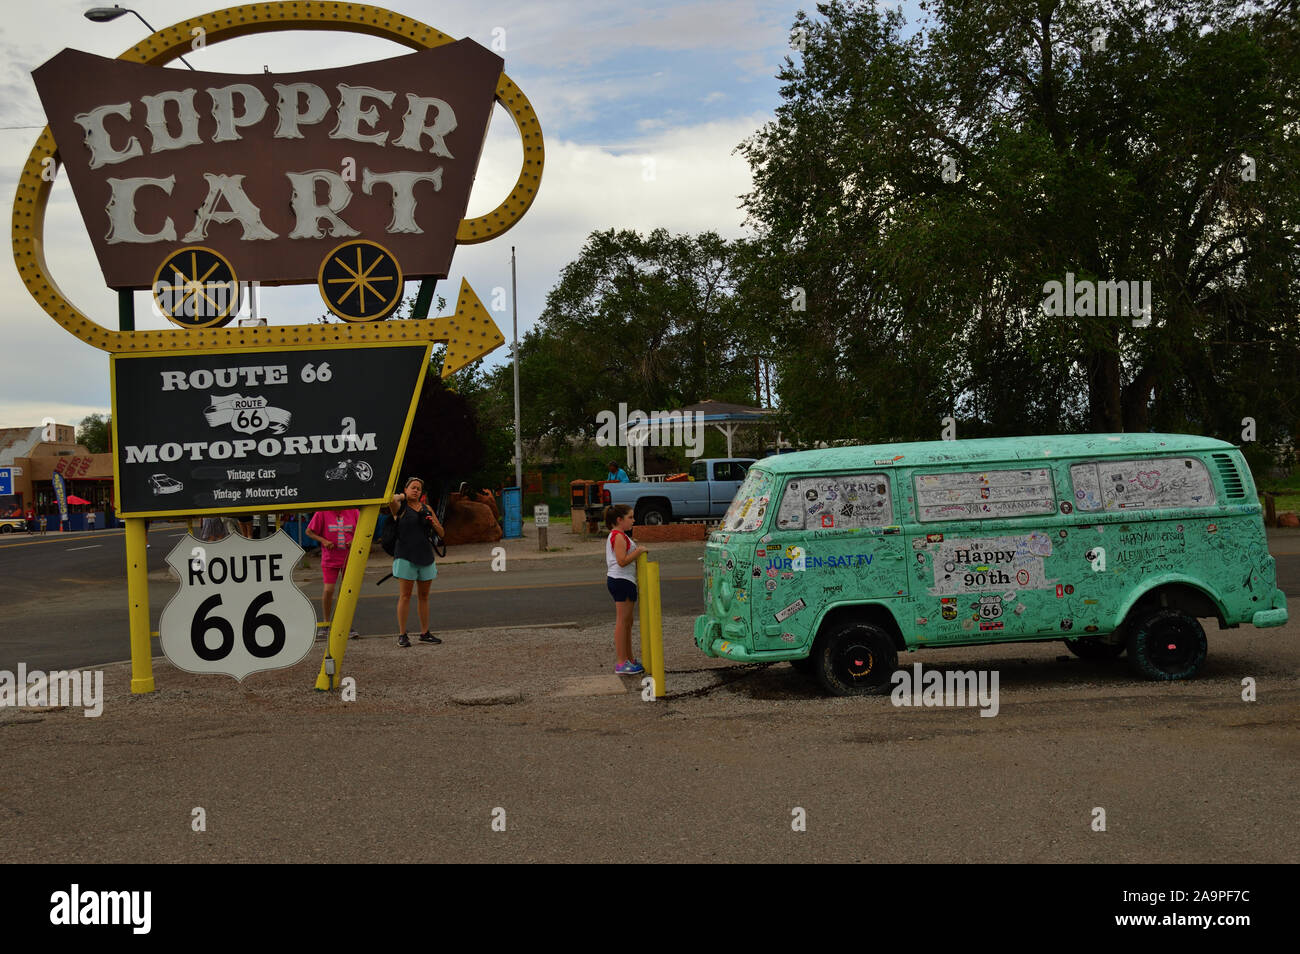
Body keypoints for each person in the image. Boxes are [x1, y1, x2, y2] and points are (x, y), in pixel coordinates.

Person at [389, 477, 444, 648]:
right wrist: (402, 496)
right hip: (406, 555)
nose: (416, 490)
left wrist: (432, 522)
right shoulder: (400, 507)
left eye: (419, 489)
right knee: (405, 596)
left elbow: (442, 533)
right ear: (406, 489)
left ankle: (425, 633)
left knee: (424, 596)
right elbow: (390, 499)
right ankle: (402, 634)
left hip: (425, 556)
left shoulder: (427, 508)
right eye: (412, 487)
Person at [305, 507, 361, 641]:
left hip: (350, 558)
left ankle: (346, 624)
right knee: (328, 590)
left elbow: (364, 531)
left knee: (346, 591)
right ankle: (326, 623)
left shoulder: (353, 511)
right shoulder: (322, 512)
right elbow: (309, 531)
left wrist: (354, 539)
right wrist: (324, 541)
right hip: (330, 558)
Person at [605, 504, 647, 674]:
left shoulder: (621, 536)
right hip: (620, 579)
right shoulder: (618, 536)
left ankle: (629, 658)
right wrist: (639, 551)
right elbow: (621, 561)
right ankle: (622, 662)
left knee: (628, 622)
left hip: (625, 580)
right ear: (619, 519)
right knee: (623, 622)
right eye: (630, 517)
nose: (633, 520)